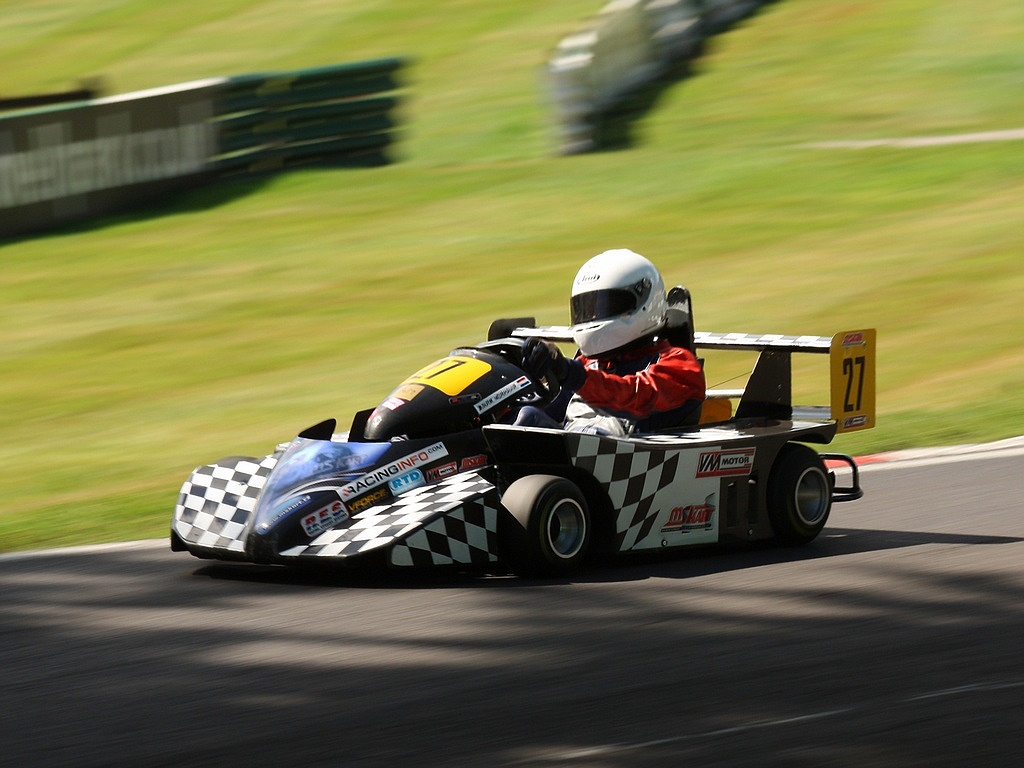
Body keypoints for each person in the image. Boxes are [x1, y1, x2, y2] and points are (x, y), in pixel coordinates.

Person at [518, 248, 706, 435]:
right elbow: (551, 408)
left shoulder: (680, 365)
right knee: (524, 418)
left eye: (605, 306)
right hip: (571, 454)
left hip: (629, 457)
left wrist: (571, 374)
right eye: (587, 309)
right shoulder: (589, 364)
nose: (593, 317)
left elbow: (633, 397)